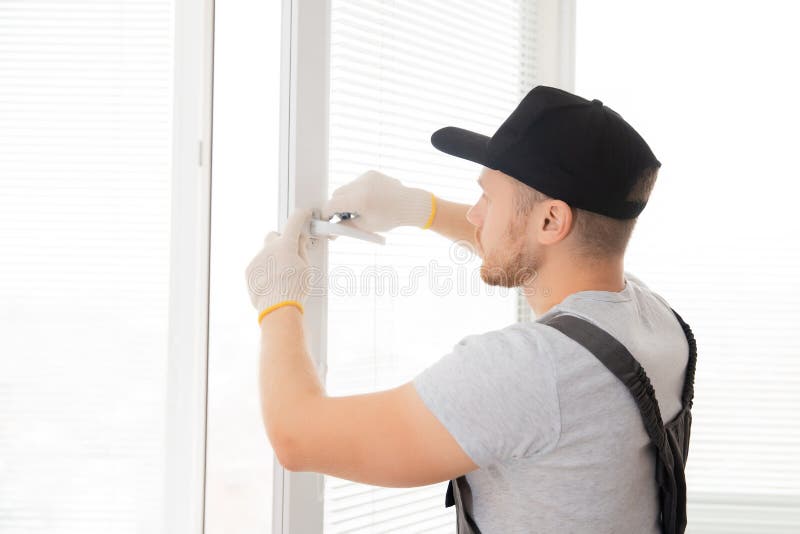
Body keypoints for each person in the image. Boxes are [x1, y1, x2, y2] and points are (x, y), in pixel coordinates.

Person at [245, 85, 694, 533]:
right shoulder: (653, 321)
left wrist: (279, 302)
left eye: (488, 198)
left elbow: (296, 437)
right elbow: (535, 250)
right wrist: (420, 209)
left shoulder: (534, 371)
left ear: (551, 220)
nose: (476, 215)